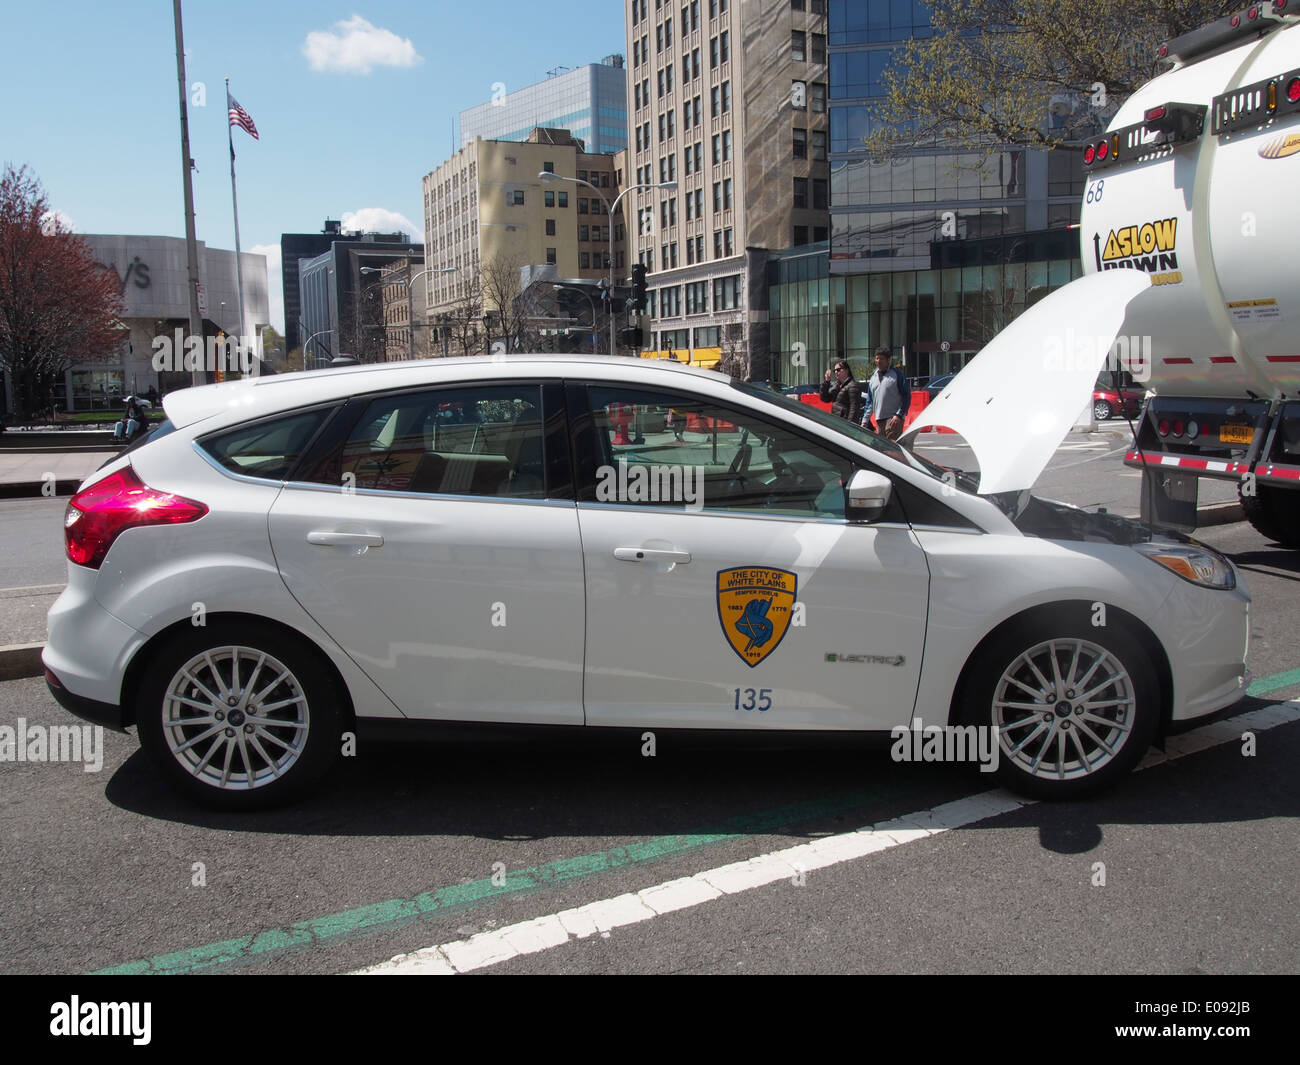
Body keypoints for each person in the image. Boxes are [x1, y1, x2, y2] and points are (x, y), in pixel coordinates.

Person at [862, 347, 910, 440]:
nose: (878, 361)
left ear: (888, 360)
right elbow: (870, 401)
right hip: (879, 419)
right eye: (877, 358)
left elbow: (906, 396)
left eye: (881, 359)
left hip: (893, 419)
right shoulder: (873, 378)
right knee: (882, 450)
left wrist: (898, 415)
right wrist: (865, 420)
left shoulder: (897, 375)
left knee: (891, 449)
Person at [820, 360, 864, 424]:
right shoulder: (837, 385)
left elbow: (854, 408)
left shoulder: (853, 385)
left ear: (846, 370)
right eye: (834, 370)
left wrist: (850, 425)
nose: (835, 372)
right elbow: (825, 398)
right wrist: (826, 382)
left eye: (838, 370)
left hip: (845, 423)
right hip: (836, 421)